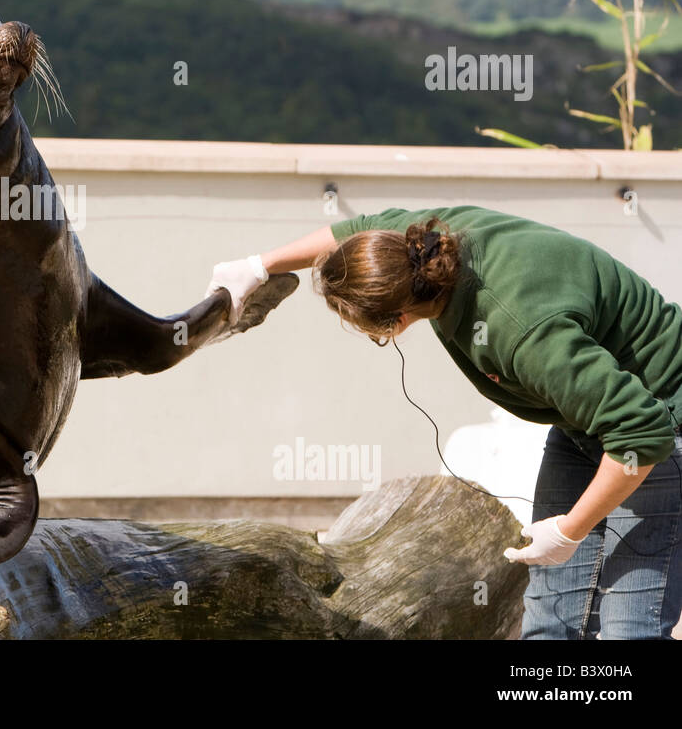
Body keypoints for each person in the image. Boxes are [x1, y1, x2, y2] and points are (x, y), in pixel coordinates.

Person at [206, 205, 682, 639]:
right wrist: (258, 266)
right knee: (550, 619)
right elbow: (352, 232)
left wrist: (570, 530)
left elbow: (641, 433)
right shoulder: (425, 244)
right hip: (592, 419)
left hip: (657, 423)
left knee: (629, 628)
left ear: (392, 321)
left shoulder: (519, 331)